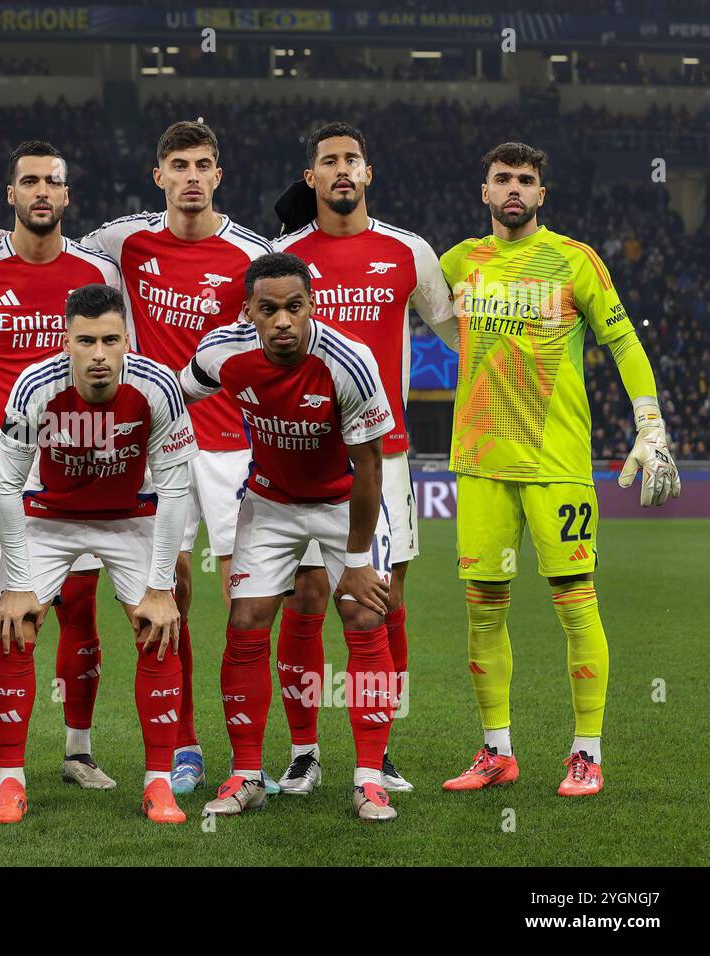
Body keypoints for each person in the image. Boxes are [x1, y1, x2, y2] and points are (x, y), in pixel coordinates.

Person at [0, 121, 271, 794]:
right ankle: (163, 747)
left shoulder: (242, 251)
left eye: (203, 164)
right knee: (148, 590)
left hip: (215, 442)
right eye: (178, 164)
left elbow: (285, 310)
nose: (191, 175)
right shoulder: (117, 243)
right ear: (159, 175)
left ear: (218, 174)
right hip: (55, 452)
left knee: (251, 602)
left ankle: (254, 757)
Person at [439, 143, 680, 797]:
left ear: (541, 194)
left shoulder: (576, 261)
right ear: (484, 191)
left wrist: (649, 423)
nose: (514, 188)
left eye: (526, 180)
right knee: (483, 610)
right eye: (502, 179)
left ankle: (587, 753)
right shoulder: (458, 262)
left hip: (557, 464)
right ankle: (496, 752)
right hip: (482, 464)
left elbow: (624, 341)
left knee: (575, 606)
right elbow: (410, 304)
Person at [268, 121, 460, 796]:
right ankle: (303, 751)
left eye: (353, 158)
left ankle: (380, 752)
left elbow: (456, 332)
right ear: (312, 177)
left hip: (388, 455)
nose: (343, 169)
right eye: (329, 161)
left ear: (368, 174)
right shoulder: (283, 254)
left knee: (384, 602)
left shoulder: (409, 252)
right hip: (302, 457)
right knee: (306, 599)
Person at [181, 252, 400, 822]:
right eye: (269, 309)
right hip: (269, 504)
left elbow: (371, 466)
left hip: (342, 502)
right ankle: (247, 773)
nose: (283, 320)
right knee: (245, 619)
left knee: (363, 616)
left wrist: (355, 559)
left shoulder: (348, 362)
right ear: (249, 311)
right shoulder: (223, 352)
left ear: (312, 306)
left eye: (294, 307)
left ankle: (369, 778)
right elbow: (179, 394)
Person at [0, 141, 123, 792]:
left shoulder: (98, 275)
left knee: (79, 607)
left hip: (82, 463)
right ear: (10, 194)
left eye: (53, 182)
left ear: (67, 196)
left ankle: (78, 752)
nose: (41, 191)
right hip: (0, 465)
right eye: (29, 182)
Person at [0, 283, 198, 826]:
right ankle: (10, 780)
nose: (100, 355)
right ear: (66, 342)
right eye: (86, 341)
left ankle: (158, 784)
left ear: (127, 339)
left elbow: (176, 489)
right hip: (51, 519)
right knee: (17, 622)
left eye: (110, 340)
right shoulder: (34, 385)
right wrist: (14, 582)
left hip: (129, 518)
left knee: (158, 626)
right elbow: (5, 486)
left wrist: (159, 588)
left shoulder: (157, 386)